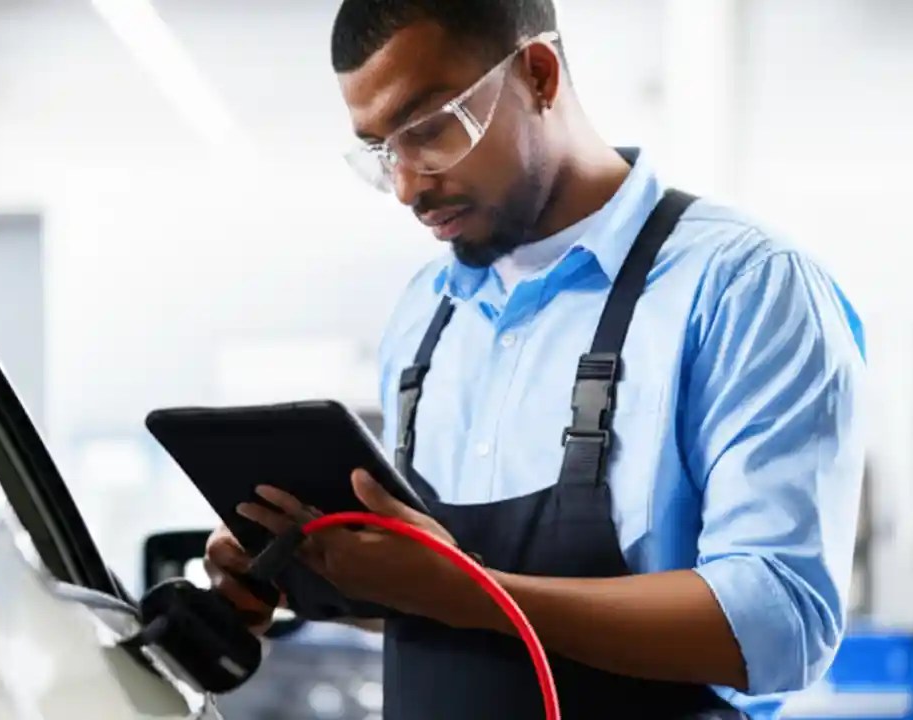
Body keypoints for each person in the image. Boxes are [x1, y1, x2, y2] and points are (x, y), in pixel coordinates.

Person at [204, 1, 866, 718]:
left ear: (538, 75)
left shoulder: (742, 285)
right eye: (381, 150)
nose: (406, 187)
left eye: (428, 130)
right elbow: (436, 607)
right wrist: (312, 572)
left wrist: (470, 591)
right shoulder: (428, 313)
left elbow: (782, 625)